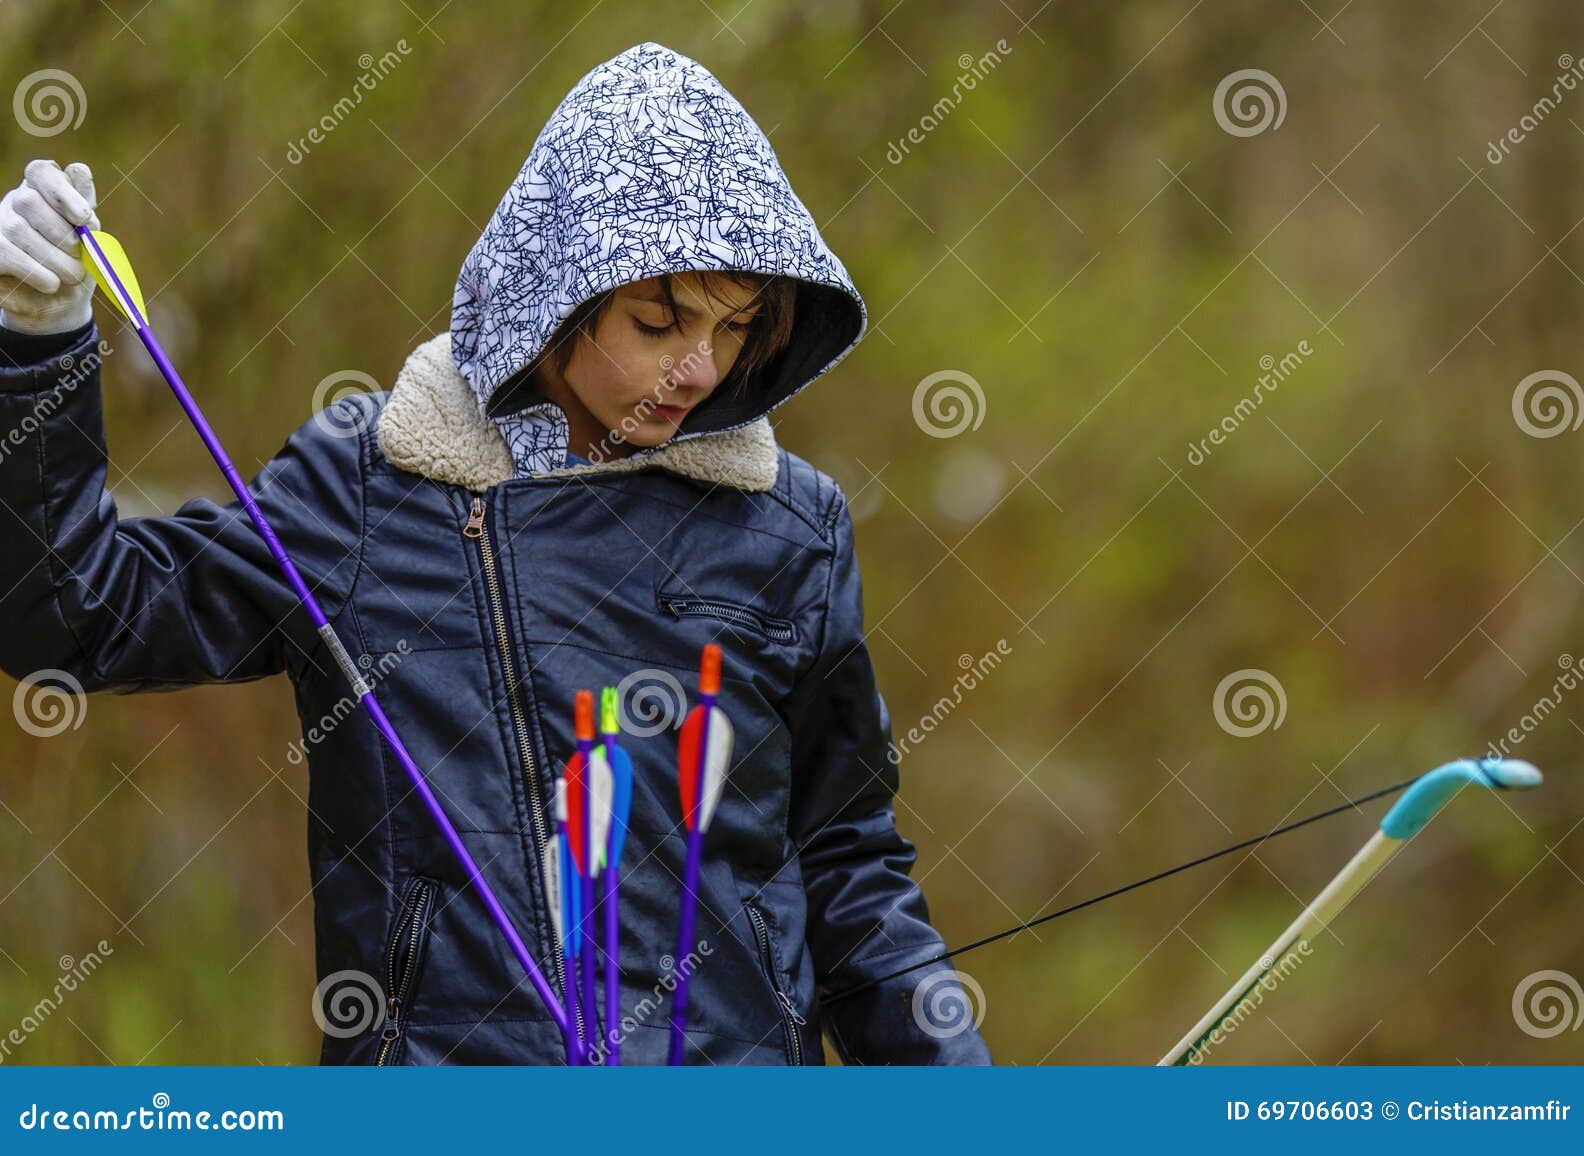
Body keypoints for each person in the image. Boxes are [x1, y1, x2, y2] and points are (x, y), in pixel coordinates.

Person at [0, 42, 990, 1065]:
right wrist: (34, 345)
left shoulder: (792, 527)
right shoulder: (366, 487)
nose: (698, 367)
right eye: (660, 322)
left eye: (735, 329)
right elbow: (75, 617)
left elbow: (848, 862)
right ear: (558, 290)